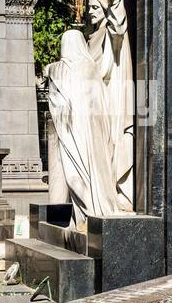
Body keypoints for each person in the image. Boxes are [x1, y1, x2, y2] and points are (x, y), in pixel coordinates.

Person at [45, 30, 119, 226]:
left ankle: (88, 216)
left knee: (74, 175)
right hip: (84, 135)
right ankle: (84, 218)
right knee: (78, 176)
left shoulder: (69, 69)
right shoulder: (84, 69)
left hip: (79, 134)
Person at [85, 0, 135, 211]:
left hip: (111, 101)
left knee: (112, 147)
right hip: (96, 105)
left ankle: (117, 194)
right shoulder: (92, 38)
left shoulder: (111, 34)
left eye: (95, 7)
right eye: (90, 8)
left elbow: (119, 24)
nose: (90, 12)